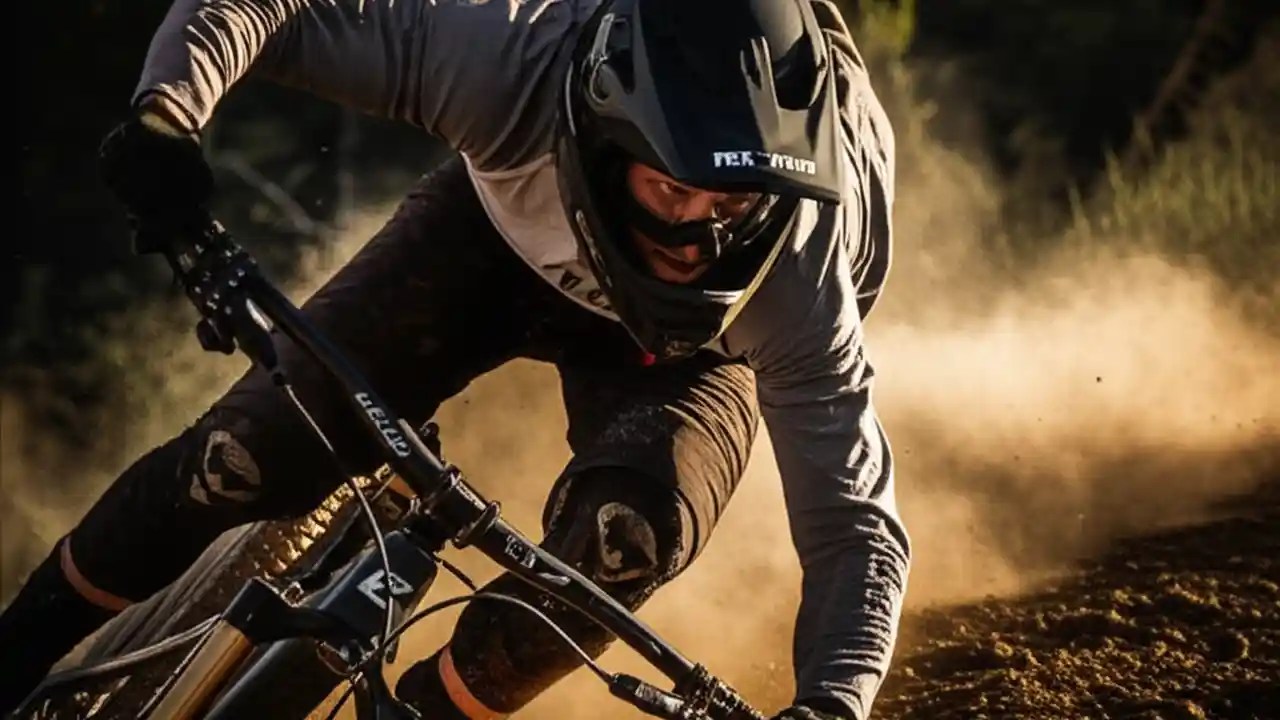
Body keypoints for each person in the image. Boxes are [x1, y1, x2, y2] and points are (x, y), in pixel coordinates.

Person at [0, 0, 910, 718]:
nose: (697, 236)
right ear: (607, 131)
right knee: (234, 463)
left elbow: (853, 528)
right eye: (671, 187)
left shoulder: (804, 264)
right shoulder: (511, 56)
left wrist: (831, 705)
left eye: (735, 202)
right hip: (491, 246)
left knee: (625, 540)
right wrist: (168, 116)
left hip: (687, 360)